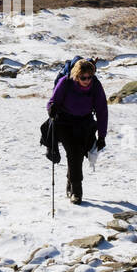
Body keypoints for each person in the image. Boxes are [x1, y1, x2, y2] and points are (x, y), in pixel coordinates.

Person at [46, 58, 108, 205]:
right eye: (83, 77)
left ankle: (71, 180)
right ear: (76, 75)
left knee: (78, 156)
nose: (87, 80)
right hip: (64, 123)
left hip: (84, 124)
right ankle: (77, 192)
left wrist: (102, 136)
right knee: (74, 153)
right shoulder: (65, 83)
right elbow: (52, 101)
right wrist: (51, 108)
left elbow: (102, 110)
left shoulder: (96, 86)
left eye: (90, 77)